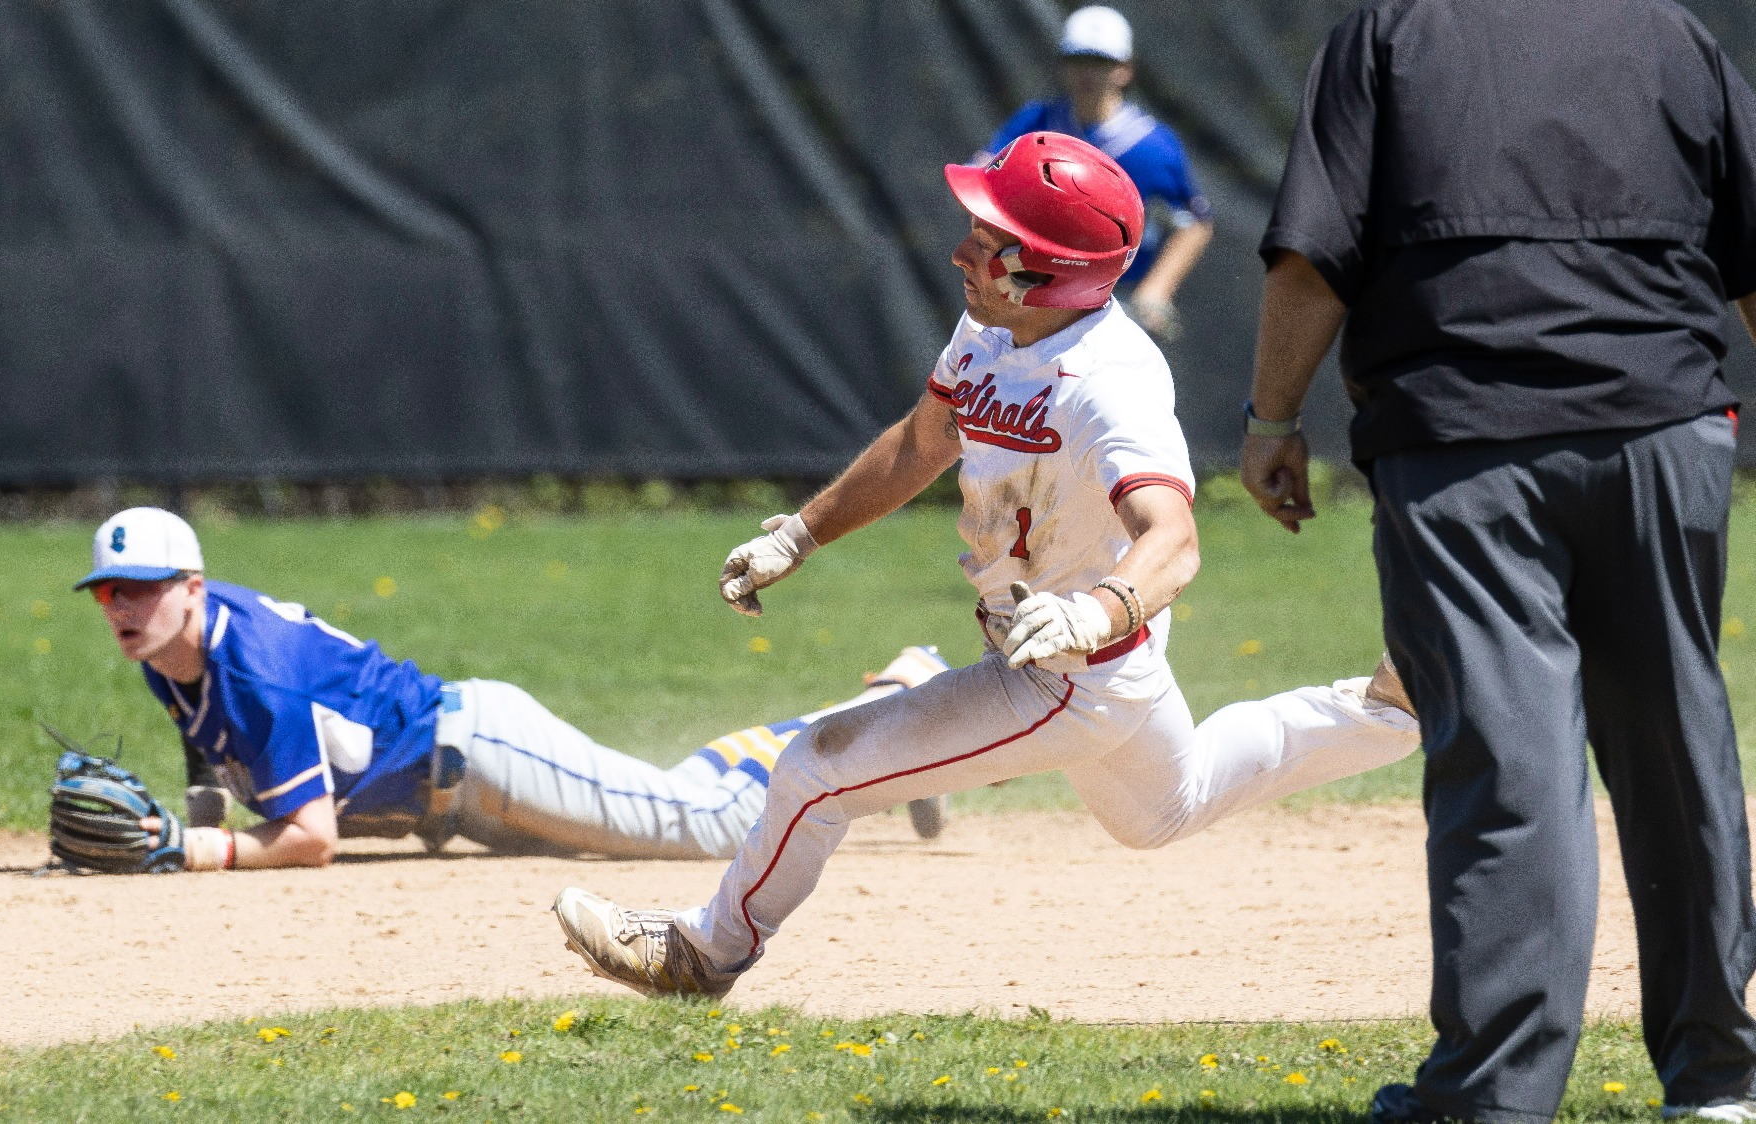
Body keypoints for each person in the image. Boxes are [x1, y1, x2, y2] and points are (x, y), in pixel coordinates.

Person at [549, 131, 1419, 1001]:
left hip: (1070, 671)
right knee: (1166, 810)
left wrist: (1096, 611)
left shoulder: (1106, 382)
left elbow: (1174, 538)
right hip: (1080, 655)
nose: (966, 249)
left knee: (816, 771)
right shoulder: (993, 325)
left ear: (1049, 271)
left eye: (993, 238)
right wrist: (800, 535)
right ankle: (1394, 705)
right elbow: (923, 439)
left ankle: (705, 953)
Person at [1239, 1, 1756, 1120]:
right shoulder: (1667, 33)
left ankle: (1492, 1095)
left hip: (1462, 440)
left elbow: (1311, 258)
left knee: (1509, 760)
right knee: (1676, 737)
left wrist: (1270, 417)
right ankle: (1717, 1078)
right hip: (1657, 426)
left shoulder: (1390, 32)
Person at [71, 506, 953, 871]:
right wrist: (183, 822)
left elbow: (311, 836)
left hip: (483, 751)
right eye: (112, 592)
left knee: (710, 822)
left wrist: (182, 850)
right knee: (685, 805)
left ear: (192, 586)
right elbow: (216, 759)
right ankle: (904, 747)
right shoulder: (171, 653)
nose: (124, 606)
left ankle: (902, 700)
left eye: (144, 587)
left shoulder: (249, 662)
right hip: (457, 798)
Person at [979, 5, 1213, 341]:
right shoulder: (1035, 123)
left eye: (1101, 62)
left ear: (1125, 69)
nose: (1088, 72)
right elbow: (982, 181)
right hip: (1033, 290)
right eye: (1078, 60)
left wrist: (1156, 291)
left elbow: (1194, 223)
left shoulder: (1153, 145)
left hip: (1115, 302)